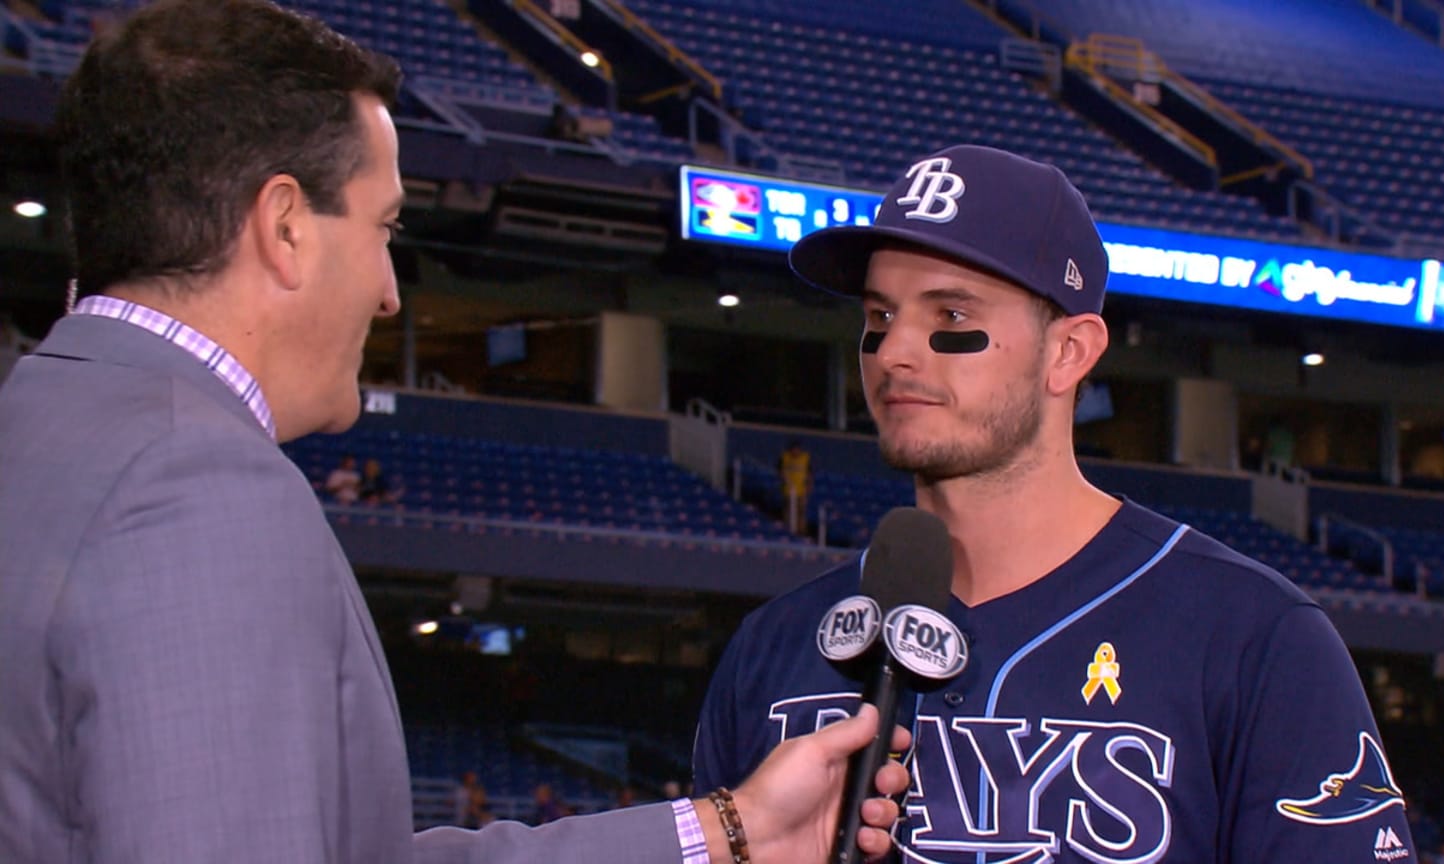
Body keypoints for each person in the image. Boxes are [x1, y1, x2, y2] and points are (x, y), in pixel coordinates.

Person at [0, 2, 910, 863]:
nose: (392, 292)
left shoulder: (40, 421)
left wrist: (727, 829)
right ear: (284, 226)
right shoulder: (193, 487)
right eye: (384, 227)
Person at [691, 145, 1417, 862]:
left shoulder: (1252, 636)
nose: (894, 352)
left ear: (1069, 352)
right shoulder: (774, 646)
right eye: (880, 317)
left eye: (950, 315)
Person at [778, 439, 813, 534]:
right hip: (788, 490)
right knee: (788, 511)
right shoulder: (785, 457)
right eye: (794, 449)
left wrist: (809, 488)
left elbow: (810, 474)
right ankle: (787, 531)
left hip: (801, 491)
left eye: (797, 449)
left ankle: (801, 532)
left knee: (801, 512)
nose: (795, 451)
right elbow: (780, 472)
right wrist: (784, 481)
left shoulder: (805, 458)